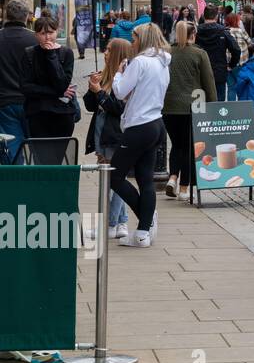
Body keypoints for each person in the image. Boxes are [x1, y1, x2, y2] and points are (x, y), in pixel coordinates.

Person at [111, 23, 171, 248]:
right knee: (145, 179)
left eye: (134, 38)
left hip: (139, 126)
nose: (132, 42)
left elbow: (119, 91)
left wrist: (118, 74)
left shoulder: (140, 62)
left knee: (114, 176)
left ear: (142, 39)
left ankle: (147, 217)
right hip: (156, 123)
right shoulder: (163, 62)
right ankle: (143, 232)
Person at [161, 21, 217, 199]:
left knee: (177, 144)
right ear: (194, 35)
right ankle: (184, 187)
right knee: (188, 147)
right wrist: (213, 106)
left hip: (168, 106)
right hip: (193, 106)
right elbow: (209, 83)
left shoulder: (167, 53)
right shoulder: (199, 54)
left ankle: (172, 177)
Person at [85, 39, 132, 239]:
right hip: (101, 136)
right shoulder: (104, 74)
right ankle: (121, 222)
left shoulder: (125, 77)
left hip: (115, 137)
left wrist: (100, 93)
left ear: (119, 53)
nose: (105, 53)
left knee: (114, 181)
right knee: (111, 181)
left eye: (109, 50)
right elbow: (90, 106)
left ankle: (109, 224)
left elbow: (119, 108)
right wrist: (92, 88)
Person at [22, 17, 77, 163]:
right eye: (42, 33)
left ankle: (54, 186)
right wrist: (57, 93)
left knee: (56, 160)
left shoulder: (66, 53)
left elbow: (61, 84)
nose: (47, 37)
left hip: (62, 115)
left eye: (50, 32)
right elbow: (26, 88)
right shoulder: (29, 54)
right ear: (36, 35)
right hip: (38, 114)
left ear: (57, 32)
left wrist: (51, 56)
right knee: (42, 160)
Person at [0, 0, 37, 163]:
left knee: (12, 152)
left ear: (5, 15)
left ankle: (16, 185)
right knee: (41, 149)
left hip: (5, 102)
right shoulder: (35, 40)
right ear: (27, 17)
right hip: (33, 102)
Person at [195, 6, 240, 102]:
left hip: (200, 70)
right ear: (216, 16)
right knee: (219, 104)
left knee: (201, 102)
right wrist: (232, 64)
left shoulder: (196, 31)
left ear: (203, 16)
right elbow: (236, 49)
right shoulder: (223, 31)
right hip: (219, 70)